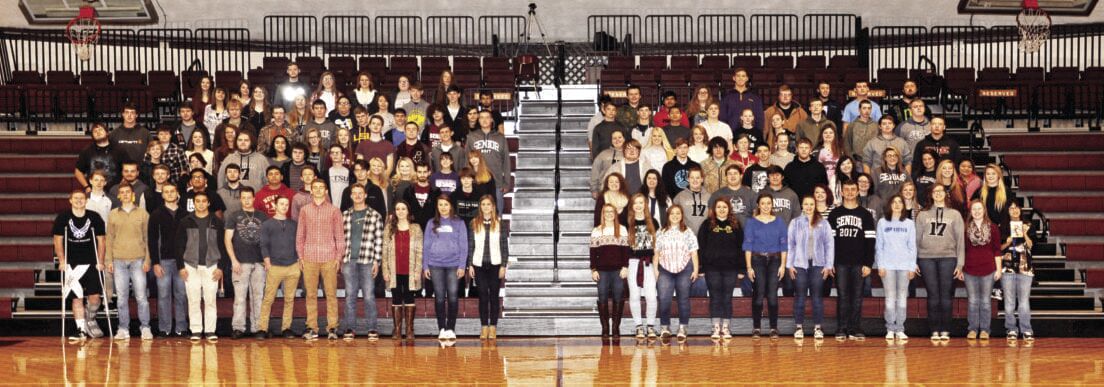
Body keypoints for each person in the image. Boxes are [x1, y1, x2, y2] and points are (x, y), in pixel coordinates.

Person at [296, 180, 346, 340]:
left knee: (331, 294)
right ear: (311, 191)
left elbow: (340, 236)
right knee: (310, 294)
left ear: (326, 191)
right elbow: (300, 235)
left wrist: (338, 257)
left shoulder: (334, 211)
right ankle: (312, 327)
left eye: (321, 188)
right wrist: (301, 256)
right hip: (309, 257)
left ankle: (332, 328)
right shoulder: (304, 210)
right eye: (315, 188)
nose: (318, 190)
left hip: (329, 257)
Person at [54, 189, 107, 340]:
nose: (79, 201)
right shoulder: (63, 218)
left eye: (82, 198)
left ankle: (90, 317)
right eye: (75, 198)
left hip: (91, 262)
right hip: (72, 264)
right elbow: (57, 240)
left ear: (86, 201)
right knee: (77, 298)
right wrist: (62, 261)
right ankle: (81, 330)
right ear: (70, 200)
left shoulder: (94, 217)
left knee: (95, 297)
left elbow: (101, 241)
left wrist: (100, 261)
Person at [829, 180, 877, 340]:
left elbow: (870, 241)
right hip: (840, 262)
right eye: (846, 189)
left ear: (857, 192)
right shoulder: (834, 214)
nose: (850, 192)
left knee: (857, 296)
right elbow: (830, 242)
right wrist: (831, 262)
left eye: (853, 189)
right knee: (842, 296)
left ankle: (855, 328)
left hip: (859, 262)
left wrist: (868, 263)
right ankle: (841, 328)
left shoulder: (865, 214)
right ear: (841, 192)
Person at [916, 184, 964, 341]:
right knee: (933, 295)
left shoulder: (955, 214)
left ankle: (946, 329)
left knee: (946, 295)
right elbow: (916, 239)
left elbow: (960, 241)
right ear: (931, 195)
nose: (937, 194)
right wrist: (913, 261)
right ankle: (934, 329)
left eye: (940, 191)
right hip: (926, 258)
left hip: (948, 257)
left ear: (946, 194)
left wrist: (960, 264)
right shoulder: (922, 215)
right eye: (934, 191)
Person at [105, 183, 152, 340]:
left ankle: (145, 327)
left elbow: (148, 238)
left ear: (133, 195)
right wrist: (109, 260)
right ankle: (123, 328)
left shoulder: (143, 213)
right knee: (122, 298)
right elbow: (109, 239)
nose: (125, 195)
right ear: (119, 195)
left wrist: (147, 259)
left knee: (141, 297)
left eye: (128, 192)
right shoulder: (113, 214)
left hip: (138, 260)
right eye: (122, 192)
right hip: (118, 261)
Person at [176, 192, 224, 342]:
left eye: (204, 201)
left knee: (210, 300)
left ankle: (210, 331)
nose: (201, 204)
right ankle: (196, 330)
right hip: (191, 265)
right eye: (198, 201)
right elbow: (179, 246)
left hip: (211, 265)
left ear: (208, 203)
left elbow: (223, 246)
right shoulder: (186, 221)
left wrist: (221, 267)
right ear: (194, 203)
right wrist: (181, 267)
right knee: (193, 300)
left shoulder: (216, 221)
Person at [340, 184, 384, 340]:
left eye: (360, 193)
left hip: (367, 260)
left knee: (369, 296)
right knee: (350, 295)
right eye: (354, 193)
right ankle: (349, 328)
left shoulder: (375, 215)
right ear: (351, 196)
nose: (357, 196)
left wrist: (377, 261)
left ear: (365, 195)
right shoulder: (344, 215)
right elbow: (339, 239)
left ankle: (372, 328)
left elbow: (379, 240)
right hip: (348, 260)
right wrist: (340, 258)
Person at [786, 196, 834, 340]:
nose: (808, 207)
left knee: (817, 297)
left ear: (815, 205)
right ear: (802, 206)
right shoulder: (795, 222)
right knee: (800, 296)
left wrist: (828, 265)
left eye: (811, 204)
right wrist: (789, 265)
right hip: (799, 265)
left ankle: (818, 327)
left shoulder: (824, 223)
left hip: (818, 265)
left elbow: (829, 245)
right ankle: (798, 327)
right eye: (806, 204)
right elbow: (790, 244)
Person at [223, 187, 267, 339]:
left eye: (249, 197)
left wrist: (266, 259)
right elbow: (227, 239)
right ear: (240, 199)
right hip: (240, 262)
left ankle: (258, 328)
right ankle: (238, 328)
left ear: (254, 198)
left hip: (259, 262)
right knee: (240, 297)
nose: (247, 200)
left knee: (258, 296)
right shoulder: (234, 216)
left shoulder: (262, 216)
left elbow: (267, 240)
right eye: (244, 197)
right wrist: (233, 260)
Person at [423, 197, 469, 340]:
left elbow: (464, 246)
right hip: (435, 264)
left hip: (454, 265)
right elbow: (426, 245)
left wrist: (462, 265)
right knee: (439, 297)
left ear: (450, 206)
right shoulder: (431, 223)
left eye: (446, 204)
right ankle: (442, 328)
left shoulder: (459, 223)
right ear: (437, 207)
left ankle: (451, 328)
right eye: (440, 204)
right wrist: (425, 266)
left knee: (453, 296)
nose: (443, 207)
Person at [698, 197, 744, 340]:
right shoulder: (707, 224)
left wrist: (741, 269)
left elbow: (741, 247)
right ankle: (716, 327)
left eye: (724, 207)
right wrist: (701, 268)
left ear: (729, 208)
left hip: (731, 268)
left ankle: (726, 327)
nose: (722, 209)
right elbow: (701, 247)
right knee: (715, 297)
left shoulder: (735, 225)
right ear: (714, 209)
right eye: (719, 207)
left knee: (727, 297)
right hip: (712, 268)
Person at [743, 193, 787, 339]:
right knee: (759, 294)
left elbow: (784, 246)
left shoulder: (779, 222)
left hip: (775, 260)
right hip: (757, 260)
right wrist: (749, 267)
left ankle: (773, 328)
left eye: (769, 203)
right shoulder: (751, 222)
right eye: (763, 203)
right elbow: (748, 246)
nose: (766, 206)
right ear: (758, 205)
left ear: (772, 205)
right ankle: (756, 327)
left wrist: (783, 265)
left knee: (773, 295)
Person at [654, 205, 700, 340]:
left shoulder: (688, 232)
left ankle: (683, 327)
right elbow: (656, 253)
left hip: (685, 269)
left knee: (683, 299)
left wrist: (696, 269)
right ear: (668, 216)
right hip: (665, 269)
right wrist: (655, 269)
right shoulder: (661, 232)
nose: (675, 216)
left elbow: (694, 253)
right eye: (672, 213)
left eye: (678, 213)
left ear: (682, 216)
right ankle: (665, 327)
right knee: (664, 299)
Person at [876, 195, 918, 341]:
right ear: (889, 205)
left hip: (904, 266)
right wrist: (880, 265)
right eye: (894, 202)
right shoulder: (882, 222)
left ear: (904, 206)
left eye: (900, 202)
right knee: (890, 298)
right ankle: (890, 328)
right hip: (887, 266)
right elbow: (879, 246)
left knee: (901, 298)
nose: (897, 204)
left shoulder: (909, 224)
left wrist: (912, 266)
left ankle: (900, 328)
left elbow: (912, 247)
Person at [257, 196, 300, 339]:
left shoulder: (294, 224)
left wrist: (298, 260)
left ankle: (286, 328)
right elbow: (263, 244)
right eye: (281, 204)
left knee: (289, 299)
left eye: (286, 204)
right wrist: (267, 261)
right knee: (268, 299)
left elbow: (299, 243)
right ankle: (262, 328)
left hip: (292, 266)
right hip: (274, 266)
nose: (284, 206)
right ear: (275, 206)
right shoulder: (267, 224)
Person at [148, 184, 187, 337]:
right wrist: (156, 263)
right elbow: (152, 240)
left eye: (172, 191)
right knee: (163, 295)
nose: (170, 194)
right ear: (162, 195)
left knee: (181, 294)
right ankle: (164, 328)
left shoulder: (185, 214)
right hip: (163, 261)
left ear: (177, 194)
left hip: (182, 262)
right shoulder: (156, 214)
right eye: (166, 192)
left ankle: (181, 327)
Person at [467, 195, 508, 340]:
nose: (485, 207)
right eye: (483, 204)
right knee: (483, 296)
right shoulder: (474, 223)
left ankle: (493, 327)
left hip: (495, 264)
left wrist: (503, 265)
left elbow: (504, 246)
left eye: (488, 204)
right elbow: (471, 245)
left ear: (493, 206)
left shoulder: (500, 223)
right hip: (479, 265)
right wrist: (470, 265)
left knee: (494, 296)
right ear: (480, 206)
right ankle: (484, 326)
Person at [962, 199, 1002, 341]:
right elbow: (962, 250)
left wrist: (999, 269)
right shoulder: (965, 228)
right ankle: (973, 329)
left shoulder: (993, 228)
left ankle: (985, 330)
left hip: (988, 269)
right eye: (974, 209)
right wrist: (960, 268)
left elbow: (997, 250)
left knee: (985, 301)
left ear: (984, 210)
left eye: (979, 209)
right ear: (970, 212)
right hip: (969, 269)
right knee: (973, 301)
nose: (977, 212)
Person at [382, 201, 422, 339]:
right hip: (394, 270)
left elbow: (419, 251)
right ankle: (397, 329)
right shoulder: (389, 228)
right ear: (394, 212)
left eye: (403, 208)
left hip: (410, 270)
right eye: (397, 209)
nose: (400, 211)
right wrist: (385, 270)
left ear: (408, 211)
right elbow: (384, 251)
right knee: (396, 298)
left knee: (410, 298)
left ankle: (410, 329)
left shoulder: (416, 228)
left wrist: (417, 270)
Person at [590, 204, 631, 339]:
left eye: (611, 211)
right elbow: (593, 253)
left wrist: (625, 267)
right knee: (602, 297)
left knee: (618, 297)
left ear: (615, 214)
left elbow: (625, 251)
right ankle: (605, 328)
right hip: (602, 271)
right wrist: (593, 269)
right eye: (606, 211)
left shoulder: (622, 229)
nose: (609, 214)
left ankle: (615, 328)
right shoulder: (597, 231)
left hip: (618, 270)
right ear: (603, 214)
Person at [1000, 200, 1035, 341]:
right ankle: (1011, 329)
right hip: (1007, 266)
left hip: (1024, 266)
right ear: (1007, 211)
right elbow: (999, 249)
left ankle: (1026, 329)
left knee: (1024, 300)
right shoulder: (1003, 226)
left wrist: (1024, 233)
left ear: (1020, 210)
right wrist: (1008, 242)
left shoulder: (1029, 225)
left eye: (1016, 208)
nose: (1014, 210)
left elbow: (1032, 246)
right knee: (1009, 301)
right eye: (1011, 208)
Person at [625, 194, 658, 339]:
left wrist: (656, 266)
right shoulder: (626, 222)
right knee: (634, 295)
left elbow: (657, 247)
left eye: (641, 202)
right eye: (635, 203)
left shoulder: (653, 222)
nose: (638, 205)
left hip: (649, 263)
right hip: (633, 263)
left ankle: (650, 326)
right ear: (631, 206)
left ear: (645, 205)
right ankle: (638, 326)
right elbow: (624, 247)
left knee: (651, 296)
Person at [467, 110, 512, 209]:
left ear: (491, 120)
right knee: (476, 212)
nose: (484, 120)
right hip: (478, 181)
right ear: (478, 120)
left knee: (497, 212)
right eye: (482, 117)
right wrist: (468, 179)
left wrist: (507, 182)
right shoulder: (471, 137)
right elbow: (467, 160)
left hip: (497, 182)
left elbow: (506, 161)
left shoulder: (500, 138)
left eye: (487, 117)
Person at [77, 123, 126, 189]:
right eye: (95, 131)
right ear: (92, 136)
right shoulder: (86, 151)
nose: (98, 132)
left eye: (100, 130)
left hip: (116, 190)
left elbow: (128, 168)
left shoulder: (119, 150)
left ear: (107, 133)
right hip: (94, 191)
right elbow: (78, 172)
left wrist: (122, 185)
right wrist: (87, 187)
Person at [973, 163, 1014, 230]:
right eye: (988, 174)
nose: (990, 176)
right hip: (983, 228)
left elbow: (1011, 211)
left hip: (1002, 228)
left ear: (998, 175)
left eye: (993, 174)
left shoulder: (1007, 191)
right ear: (985, 176)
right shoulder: (979, 192)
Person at [672, 167, 712, 233]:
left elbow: (712, 218)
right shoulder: (679, 197)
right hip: (685, 235)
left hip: (704, 235)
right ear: (688, 179)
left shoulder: (709, 197)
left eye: (697, 178)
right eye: (692, 177)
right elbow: (673, 217)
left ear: (702, 179)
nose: (694, 180)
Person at [590, 131, 626, 197]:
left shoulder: (628, 154)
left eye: (619, 137)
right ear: (611, 141)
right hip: (605, 190)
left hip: (624, 191)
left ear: (624, 139)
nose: (617, 140)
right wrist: (594, 189)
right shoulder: (603, 154)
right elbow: (595, 171)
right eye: (614, 138)